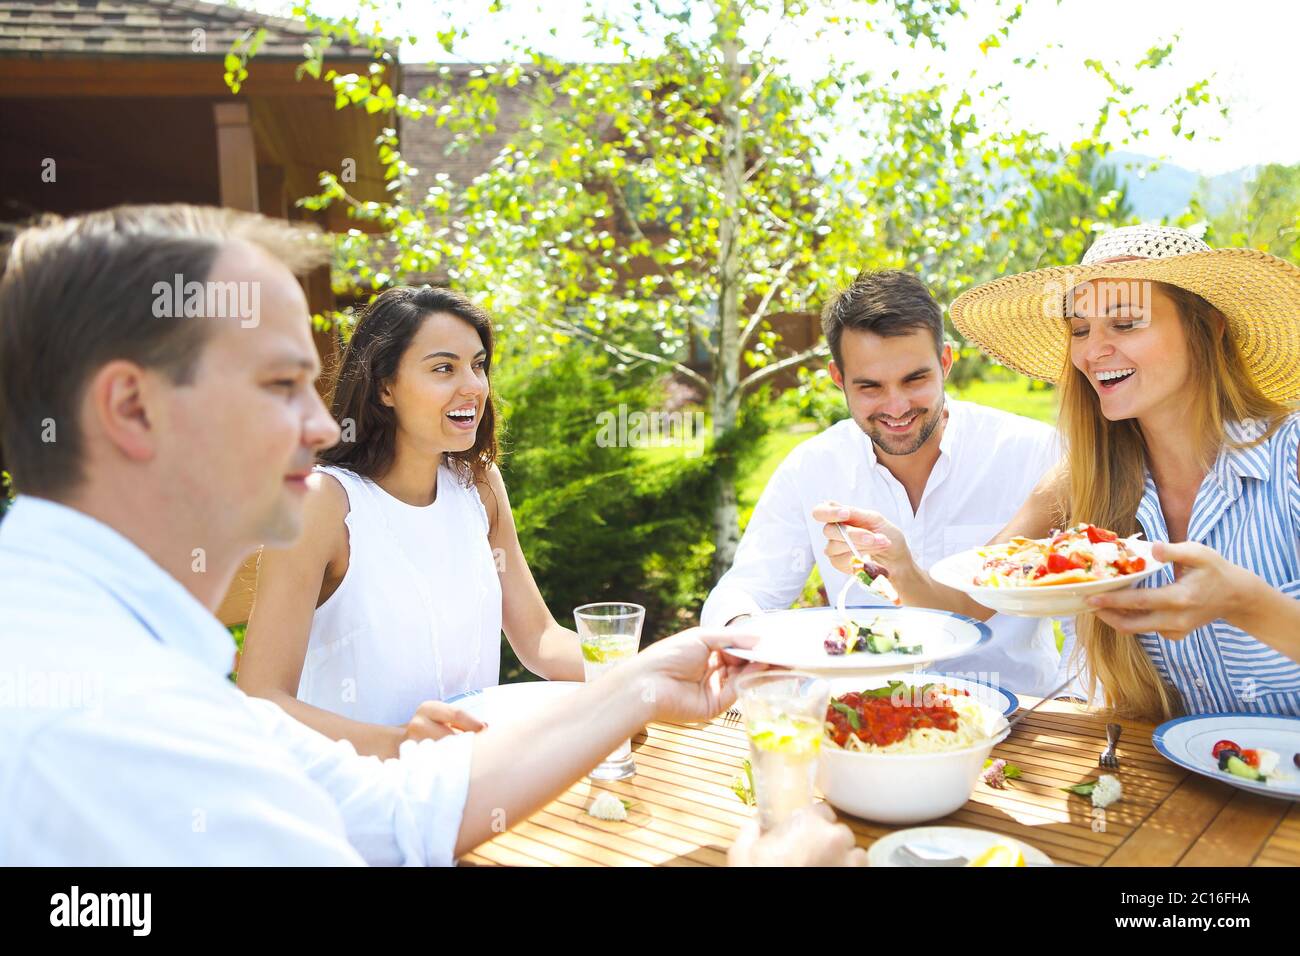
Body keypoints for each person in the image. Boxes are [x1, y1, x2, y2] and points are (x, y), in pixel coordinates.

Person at [0, 203, 868, 865]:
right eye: (278, 383)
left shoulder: (132, 665)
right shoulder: (95, 721)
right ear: (131, 407)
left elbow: (403, 814)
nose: (315, 422)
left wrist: (642, 684)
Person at [820, 225, 1300, 720]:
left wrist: (1246, 603)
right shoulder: (1084, 478)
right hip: (1180, 786)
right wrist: (898, 562)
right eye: (1080, 329)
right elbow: (966, 604)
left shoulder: (1291, 456)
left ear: (1209, 327)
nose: (1093, 351)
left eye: (1126, 322)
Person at [237, 286, 583, 758]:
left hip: (468, 781)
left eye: (478, 365)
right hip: (355, 794)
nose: (474, 386)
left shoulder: (478, 485)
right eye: (444, 368)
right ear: (385, 387)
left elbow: (540, 638)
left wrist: (639, 678)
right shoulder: (321, 504)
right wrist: (401, 743)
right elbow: (262, 702)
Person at [701, 269, 1071, 697]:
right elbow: (747, 588)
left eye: (915, 380)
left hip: (1017, 721)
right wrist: (745, 633)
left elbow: (1087, 621)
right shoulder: (813, 467)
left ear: (945, 362)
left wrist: (1072, 719)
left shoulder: (1033, 454)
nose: (897, 407)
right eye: (870, 387)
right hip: (859, 722)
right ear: (838, 380)